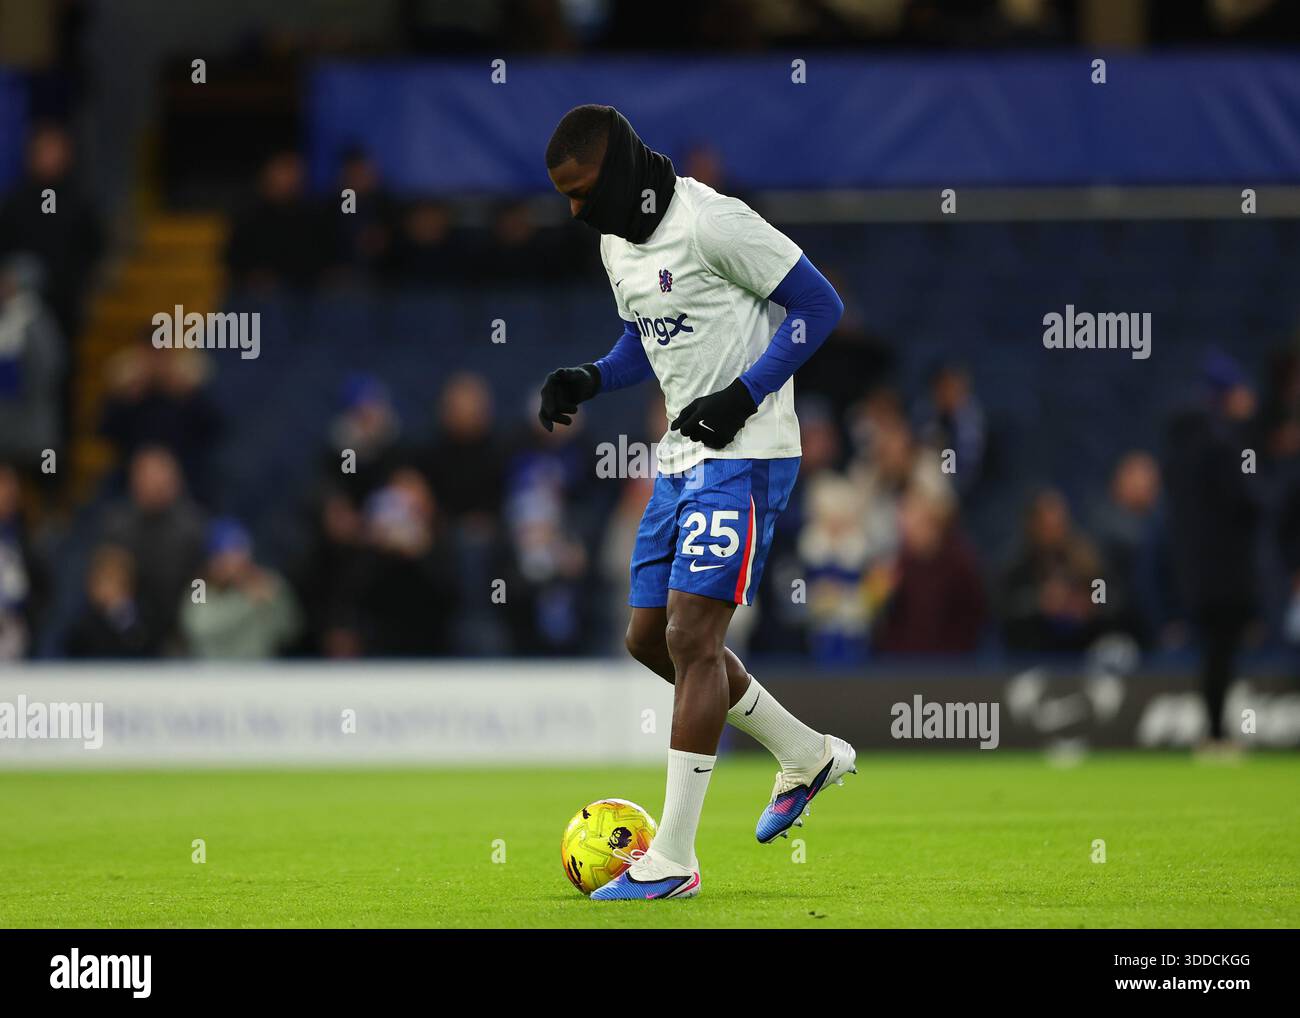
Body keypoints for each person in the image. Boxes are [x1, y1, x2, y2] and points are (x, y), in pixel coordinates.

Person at [537, 104, 853, 900]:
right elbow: (649, 333)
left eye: (581, 191)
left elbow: (821, 306)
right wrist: (591, 377)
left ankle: (673, 859)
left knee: (691, 634)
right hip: (680, 456)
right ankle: (808, 753)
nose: (574, 211)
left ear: (618, 174)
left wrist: (744, 395)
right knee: (650, 639)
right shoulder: (616, 242)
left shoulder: (715, 222)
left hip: (746, 454)